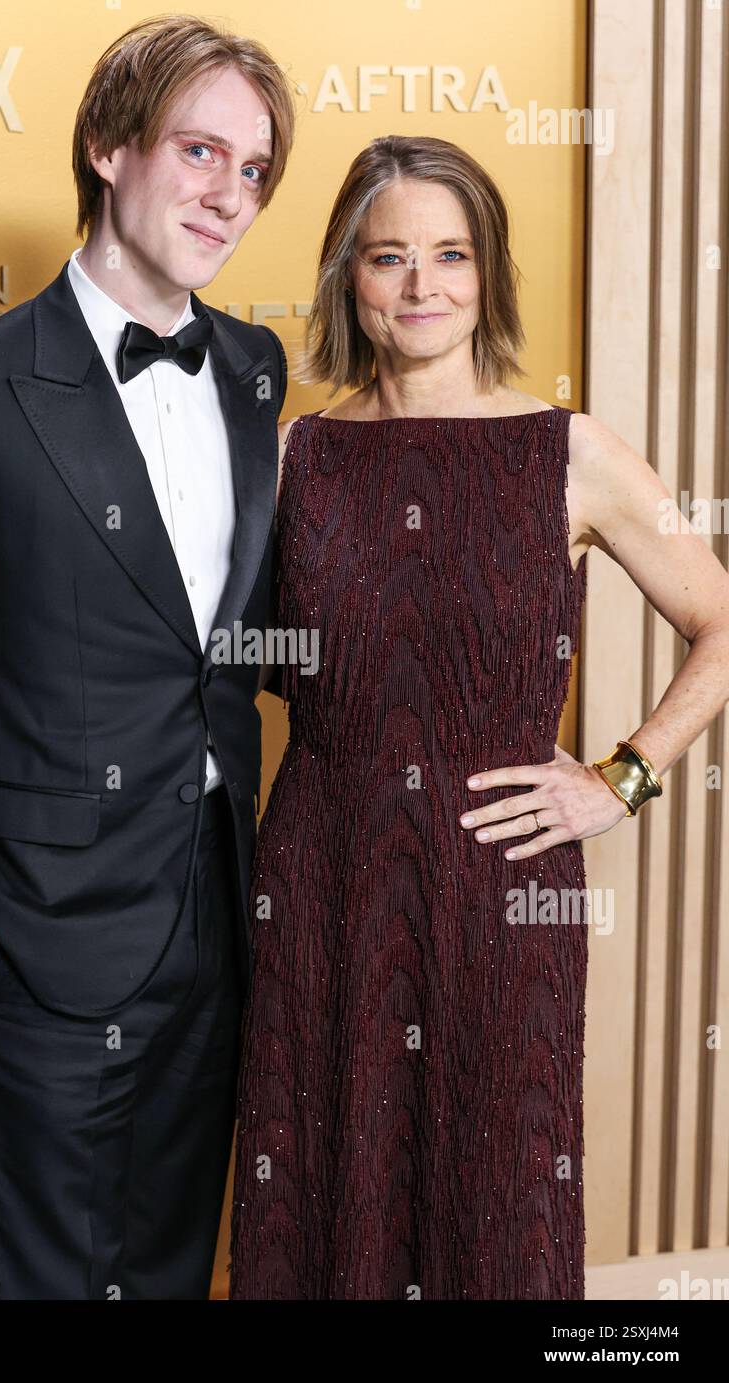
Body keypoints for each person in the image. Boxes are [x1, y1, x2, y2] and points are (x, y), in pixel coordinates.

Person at [0, 15, 294, 1300]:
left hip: (217, 925)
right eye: (200, 150)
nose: (228, 195)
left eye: (254, 170)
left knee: (177, 1278)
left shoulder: (253, 370)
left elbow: (230, 648)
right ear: (105, 146)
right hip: (42, 944)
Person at [228, 134, 729, 1299]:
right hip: (322, 871)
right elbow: (217, 651)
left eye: (450, 255)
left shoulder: (569, 452)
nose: (421, 285)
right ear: (347, 273)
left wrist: (623, 777)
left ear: (487, 271)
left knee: (494, 1197)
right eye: (389, 256)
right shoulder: (295, 453)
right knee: (314, 1188)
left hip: (502, 876)